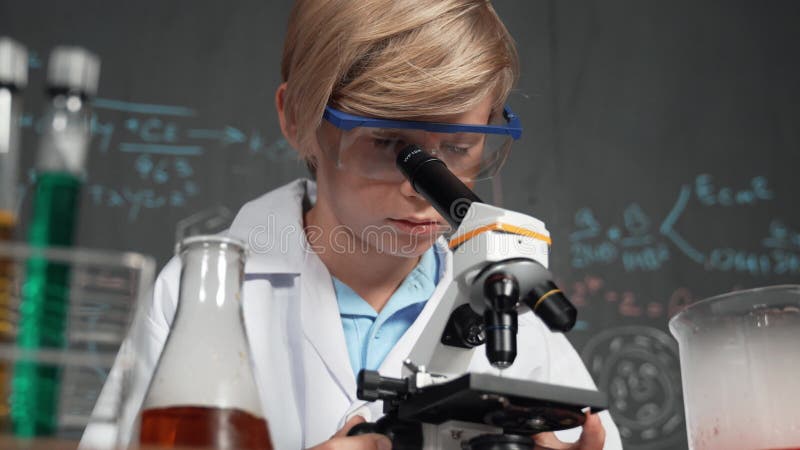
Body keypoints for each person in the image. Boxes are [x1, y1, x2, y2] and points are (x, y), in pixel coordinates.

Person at [82, 1, 622, 449]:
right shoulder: (198, 292)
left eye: (458, 148)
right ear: (298, 117)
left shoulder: (509, 301)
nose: (421, 188)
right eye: (389, 145)